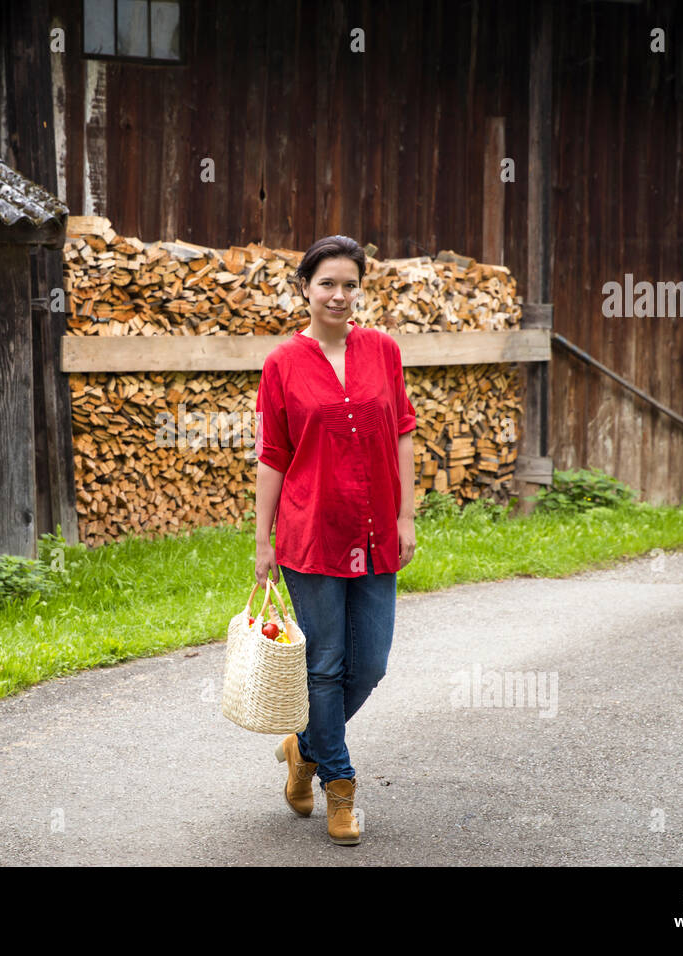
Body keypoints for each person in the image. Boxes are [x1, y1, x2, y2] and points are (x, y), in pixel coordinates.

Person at [253, 235, 417, 846]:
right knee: (324, 667)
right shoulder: (282, 364)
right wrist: (263, 539)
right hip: (311, 531)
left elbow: (402, 434)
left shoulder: (384, 351)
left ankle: (303, 745)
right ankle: (340, 791)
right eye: (327, 283)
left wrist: (406, 516)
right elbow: (273, 455)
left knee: (369, 665)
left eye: (350, 284)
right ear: (305, 288)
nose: (339, 295)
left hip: (375, 532)